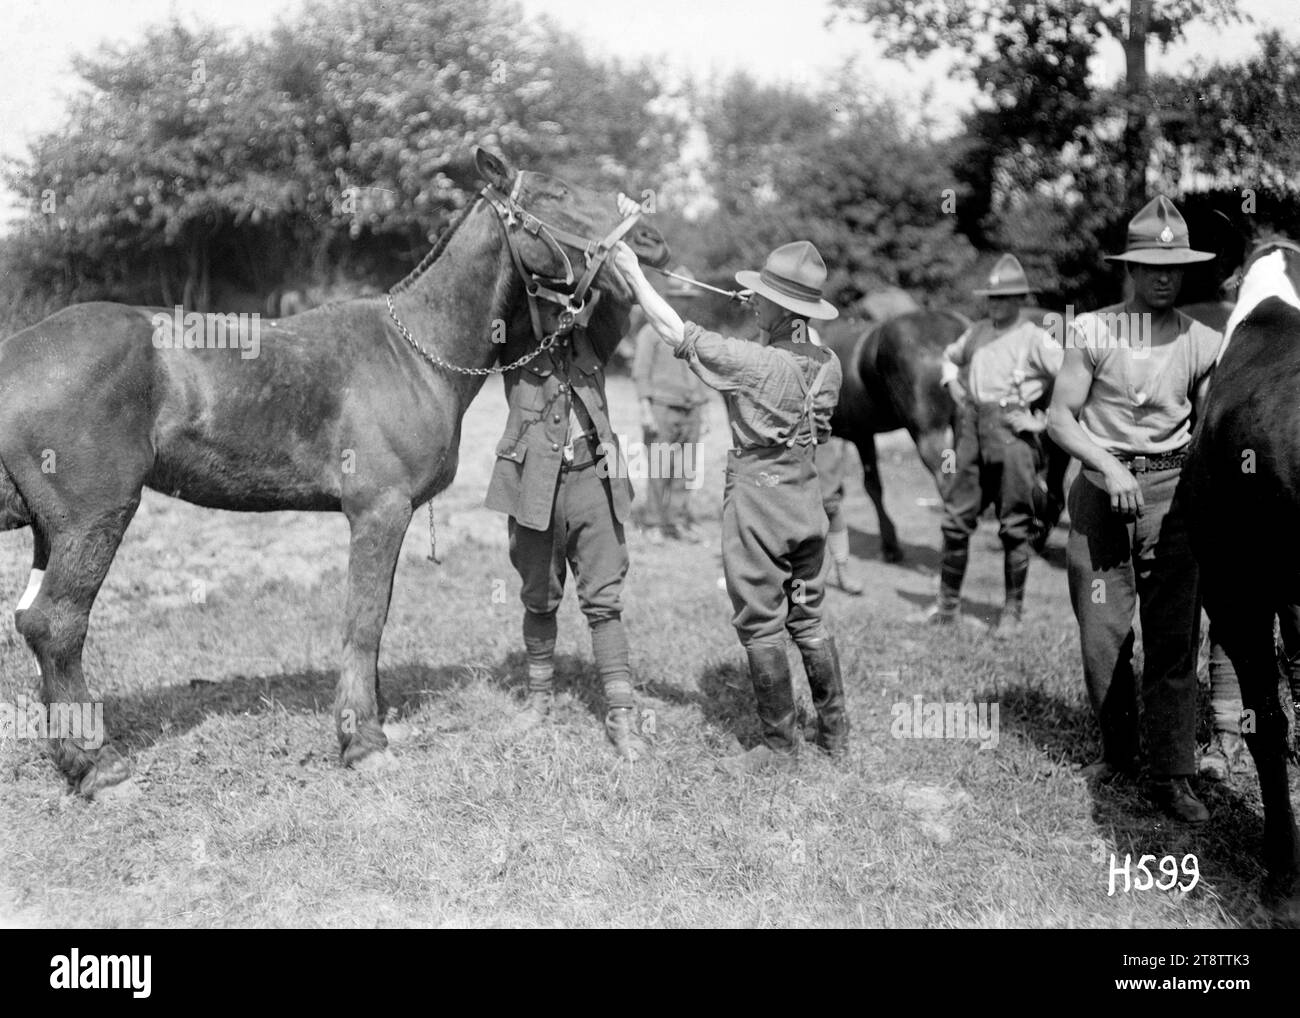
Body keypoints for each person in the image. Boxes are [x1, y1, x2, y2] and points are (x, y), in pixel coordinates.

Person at [611, 200, 849, 773]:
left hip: (758, 501)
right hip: (805, 498)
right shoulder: (828, 362)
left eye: (762, 296)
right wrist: (771, 315)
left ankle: (777, 748)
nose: (751, 301)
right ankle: (836, 738)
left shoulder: (753, 362)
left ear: (779, 306)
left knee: (761, 620)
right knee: (808, 617)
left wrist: (634, 272)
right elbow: (795, 360)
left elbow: (676, 331)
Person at [1046, 194, 1222, 823]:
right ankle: (1119, 754)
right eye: (1150, 266)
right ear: (1129, 267)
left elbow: (1206, 429)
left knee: (1174, 641)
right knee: (1103, 635)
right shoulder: (1091, 329)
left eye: (1173, 266)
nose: (1163, 276)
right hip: (1100, 493)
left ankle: (1173, 776)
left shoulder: (1204, 340)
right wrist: (1108, 465)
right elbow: (1060, 418)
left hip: (1174, 498)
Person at [485, 267, 647, 762]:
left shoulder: (595, 337)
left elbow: (620, 298)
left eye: (569, 298)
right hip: (533, 487)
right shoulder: (514, 344)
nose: (562, 309)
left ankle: (620, 713)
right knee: (538, 597)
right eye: (550, 300)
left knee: (604, 601)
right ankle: (538, 701)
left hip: (593, 480)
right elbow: (491, 312)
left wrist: (614, 245)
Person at [917, 255, 1062, 637]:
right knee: (955, 519)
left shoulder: (1034, 337)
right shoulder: (978, 331)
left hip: (1013, 437)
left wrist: (1040, 421)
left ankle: (1011, 613)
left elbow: (1071, 378)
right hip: (972, 430)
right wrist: (954, 386)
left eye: (1004, 297)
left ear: (1019, 299)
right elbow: (950, 359)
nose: (995, 304)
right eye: (991, 297)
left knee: (1014, 525)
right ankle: (947, 607)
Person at [631, 267, 709, 544]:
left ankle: (677, 520)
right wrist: (645, 410)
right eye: (677, 297)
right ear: (668, 298)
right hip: (662, 408)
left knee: (685, 469)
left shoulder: (696, 334)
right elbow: (640, 372)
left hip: (692, 408)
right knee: (659, 467)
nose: (683, 303)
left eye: (688, 298)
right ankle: (652, 522)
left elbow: (703, 373)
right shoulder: (650, 332)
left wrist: (705, 409)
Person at [808, 326, 863, 595]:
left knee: (830, 504)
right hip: (785, 446)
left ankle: (842, 567)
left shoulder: (825, 369)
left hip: (820, 442)